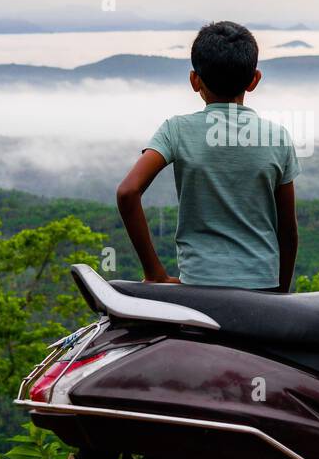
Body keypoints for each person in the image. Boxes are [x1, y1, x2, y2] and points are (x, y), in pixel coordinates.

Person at [116, 21, 300, 291]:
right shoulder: (278, 137)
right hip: (263, 286)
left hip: (198, 287)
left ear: (194, 80)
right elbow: (288, 230)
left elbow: (127, 192)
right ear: (254, 80)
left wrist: (154, 273)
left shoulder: (176, 130)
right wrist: (281, 291)